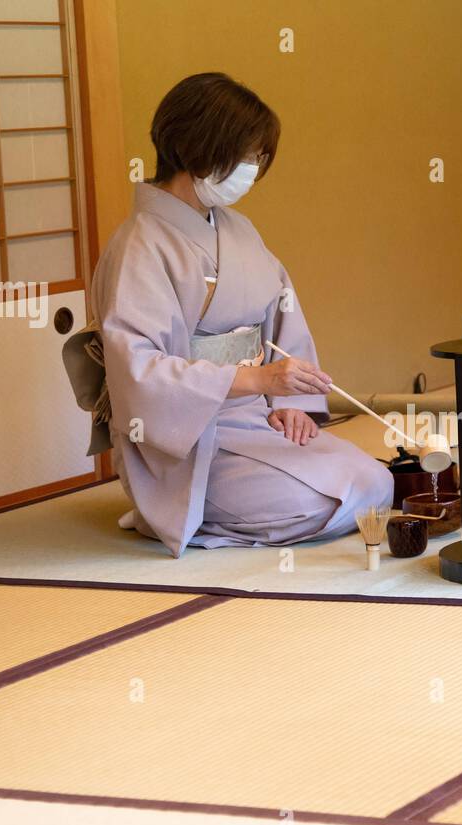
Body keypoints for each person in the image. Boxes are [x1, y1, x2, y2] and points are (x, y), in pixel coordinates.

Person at [63, 72, 393, 556]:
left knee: (375, 484)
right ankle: (175, 510)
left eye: (258, 158)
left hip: (260, 422)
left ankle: (224, 506)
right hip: (190, 441)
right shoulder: (139, 245)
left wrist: (291, 406)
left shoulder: (239, 230)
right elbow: (138, 370)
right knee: (316, 502)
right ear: (197, 147)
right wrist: (260, 382)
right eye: (245, 155)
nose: (251, 170)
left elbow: (282, 322)